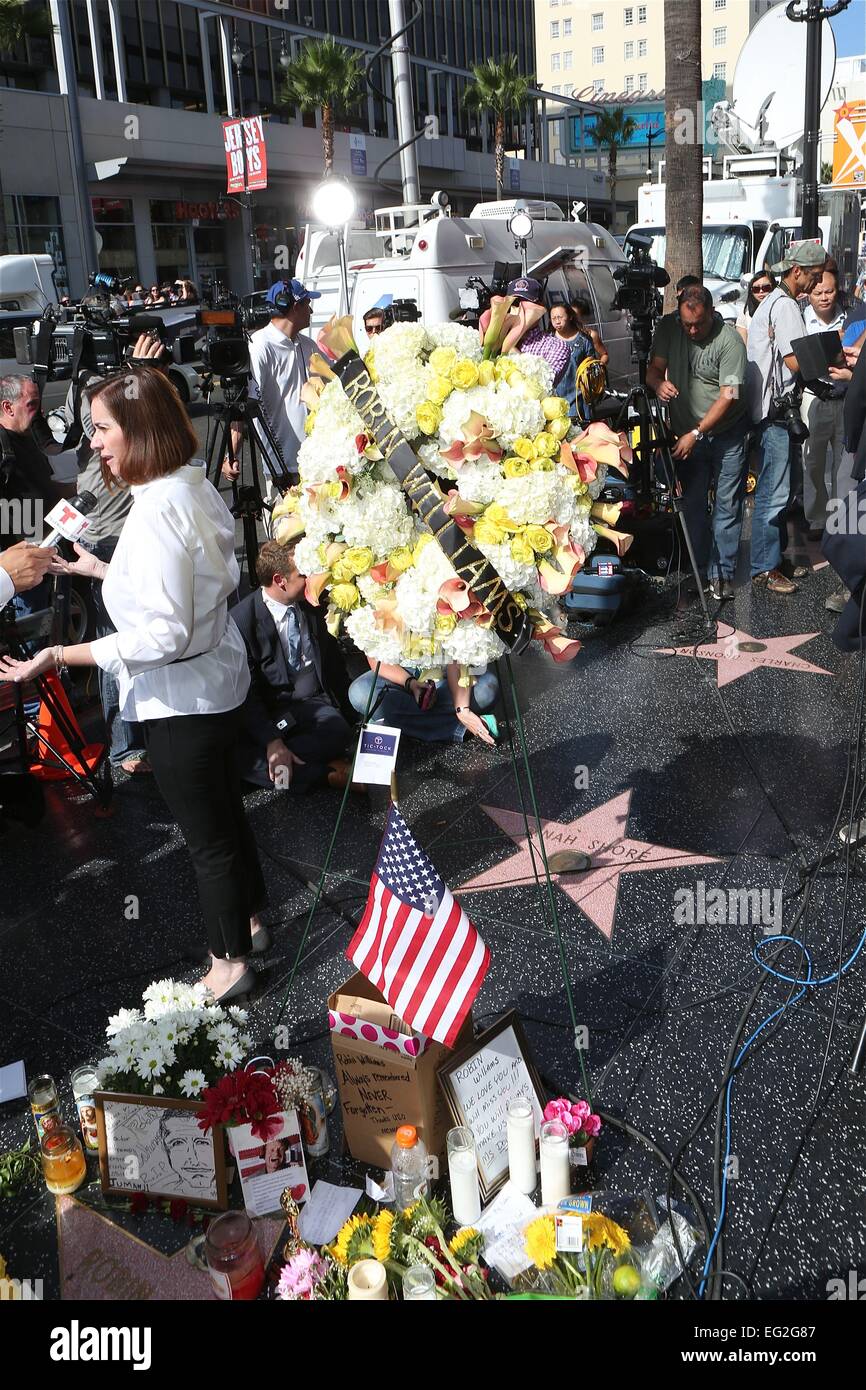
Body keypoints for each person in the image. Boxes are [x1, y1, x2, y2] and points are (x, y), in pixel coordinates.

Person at [0, 367, 269, 1003]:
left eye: (101, 429)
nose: (91, 443)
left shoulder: (154, 514)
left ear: (140, 433)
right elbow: (185, 580)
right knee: (227, 816)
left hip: (182, 698)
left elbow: (161, 634)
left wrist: (62, 654)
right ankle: (251, 923)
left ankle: (229, 961)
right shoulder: (189, 485)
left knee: (207, 840)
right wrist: (97, 566)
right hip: (216, 683)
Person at [645, 285, 749, 601]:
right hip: (686, 433)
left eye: (699, 324)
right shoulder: (668, 326)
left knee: (727, 505)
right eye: (687, 323)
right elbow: (653, 370)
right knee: (692, 504)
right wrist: (658, 383)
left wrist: (697, 433)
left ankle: (722, 574)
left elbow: (728, 397)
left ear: (711, 314)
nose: (692, 330)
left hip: (725, 433)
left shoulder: (729, 340)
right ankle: (700, 568)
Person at [231, 539, 355, 793]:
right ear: (280, 580)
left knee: (338, 731)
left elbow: (332, 660)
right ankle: (326, 774)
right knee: (235, 756)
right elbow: (248, 692)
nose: (311, 580)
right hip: (274, 712)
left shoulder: (313, 602)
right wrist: (272, 740)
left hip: (313, 704)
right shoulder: (242, 622)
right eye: (303, 575)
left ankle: (280, 773)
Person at [746, 240, 827, 593]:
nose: (817, 282)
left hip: (773, 409)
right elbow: (796, 361)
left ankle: (775, 559)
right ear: (797, 272)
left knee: (780, 489)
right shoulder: (786, 307)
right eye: (814, 276)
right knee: (775, 493)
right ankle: (765, 567)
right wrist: (832, 369)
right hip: (775, 412)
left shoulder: (777, 303)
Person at [223, 278, 320, 487]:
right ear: (295, 307)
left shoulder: (309, 346)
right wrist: (231, 454)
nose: (310, 311)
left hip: (317, 467)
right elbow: (244, 404)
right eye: (307, 304)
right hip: (281, 470)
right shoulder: (259, 346)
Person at [799, 263, 865, 541]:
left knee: (844, 467)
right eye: (819, 292)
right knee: (812, 463)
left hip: (846, 396)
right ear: (809, 295)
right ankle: (816, 520)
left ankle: (841, 523)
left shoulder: (850, 315)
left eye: (830, 291)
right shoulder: (800, 319)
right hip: (815, 397)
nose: (825, 297)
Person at [349, 658, 498, 746]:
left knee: (486, 689)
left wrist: (462, 709)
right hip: (401, 674)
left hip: (448, 673)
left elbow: (457, 656)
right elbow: (377, 658)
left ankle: (403, 725)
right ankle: (459, 729)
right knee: (360, 692)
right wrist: (411, 684)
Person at [501, 277, 571, 383]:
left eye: (526, 303)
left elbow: (543, 384)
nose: (520, 308)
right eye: (515, 303)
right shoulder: (495, 341)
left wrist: (509, 347)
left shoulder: (555, 346)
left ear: (541, 307)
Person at [549, 303, 597, 419]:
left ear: (570, 317)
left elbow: (592, 366)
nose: (557, 321)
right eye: (553, 318)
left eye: (560, 317)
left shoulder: (584, 340)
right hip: (554, 402)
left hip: (579, 401)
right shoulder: (548, 340)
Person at [736, 270, 776, 345]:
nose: (761, 292)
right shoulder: (745, 313)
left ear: (773, 287)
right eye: (756, 289)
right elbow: (742, 344)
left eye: (766, 288)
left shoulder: (781, 309)